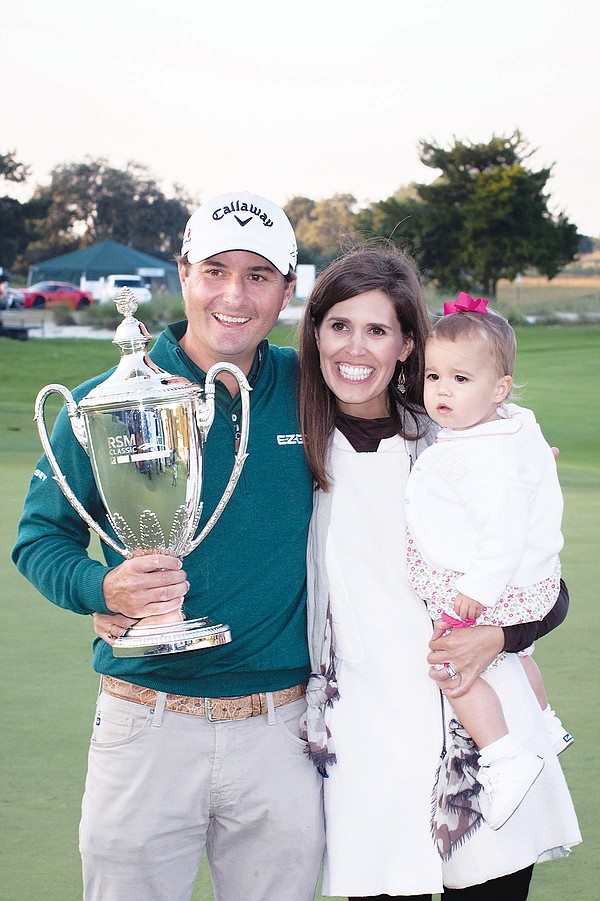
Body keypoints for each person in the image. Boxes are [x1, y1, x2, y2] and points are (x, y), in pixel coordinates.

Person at [12, 191, 325, 901]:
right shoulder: (106, 400)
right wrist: (103, 589)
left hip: (283, 726)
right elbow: (39, 539)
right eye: (215, 270)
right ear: (182, 273)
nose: (234, 296)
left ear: (286, 288)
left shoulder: (313, 391)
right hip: (146, 719)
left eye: (258, 275)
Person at [298, 243, 580, 899]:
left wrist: (499, 637)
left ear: (407, 346)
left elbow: (545, 582)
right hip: (368, 746)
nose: (357, 348)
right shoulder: (293, 444)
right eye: (340, 325)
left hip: (481, 738)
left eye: (378, 330)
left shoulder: (458, 438)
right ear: (316, 334)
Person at [404, 294, 573, 830]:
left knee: (449, 660)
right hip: (531, 580)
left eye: (460, 379)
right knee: (514, 660)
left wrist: (475, 590)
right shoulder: (511, 424)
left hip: (493, 583)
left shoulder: (483, 456)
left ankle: (503, 755)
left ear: (498, 388)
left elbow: (503, 531)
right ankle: (545, 725)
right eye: (433, 377)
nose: (441, 392)